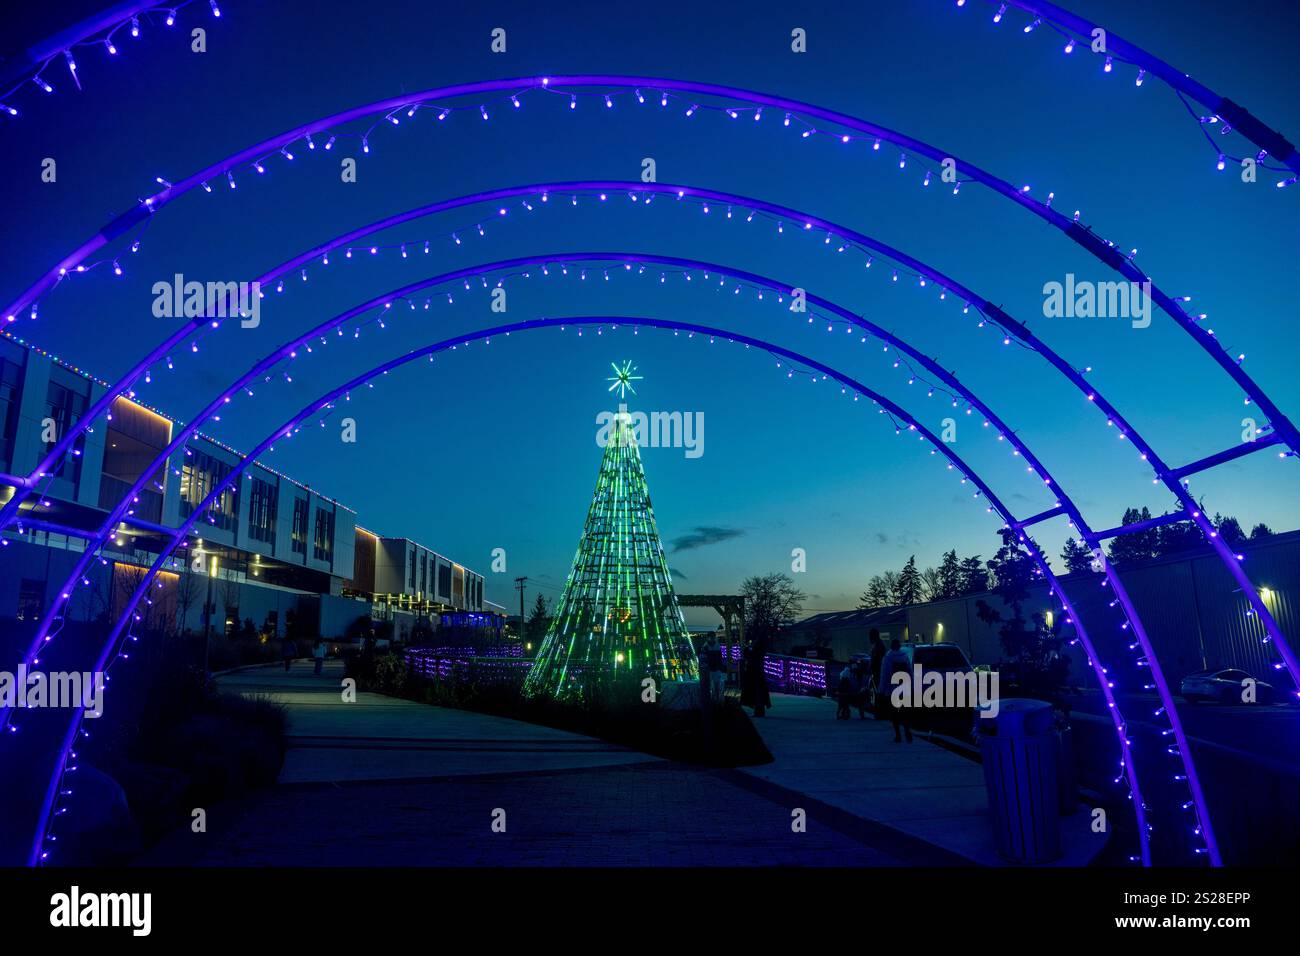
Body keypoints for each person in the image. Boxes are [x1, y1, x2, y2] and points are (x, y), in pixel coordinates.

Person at [880, 638, 913, 742]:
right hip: (905, 688)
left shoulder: (888, 657)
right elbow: (910, 672)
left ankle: (898, 735)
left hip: (893, 689)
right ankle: (907, 730)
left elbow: (884, 675)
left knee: (894, 713)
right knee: (905, 712)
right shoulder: (905, 656)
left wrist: (881, 690)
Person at [740, 635, 771, 717]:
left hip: (754, 672)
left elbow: (749, 656)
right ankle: (759, 711)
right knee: (758, 692)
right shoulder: (761, 649)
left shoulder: (757, 651)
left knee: (756, 692)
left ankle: (759, 711)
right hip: (757, 671)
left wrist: (746, 649)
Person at [706, 637, 726, 703]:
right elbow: (720, 658)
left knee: (715, 685)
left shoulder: (707, 646)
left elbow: (719, 658)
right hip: (714, 669)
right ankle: (716, 699)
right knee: (715, 685)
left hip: (714, 669)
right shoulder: (716, 646)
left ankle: (715, 699)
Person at [868, 630, 885, 704]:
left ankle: (877, 704)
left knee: (877, 688)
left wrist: (871, 667)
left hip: (878, 671)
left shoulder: (879, 646)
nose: (869, 639)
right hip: (876, 671)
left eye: (870, 636)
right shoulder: (877, 644)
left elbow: (876, 659)